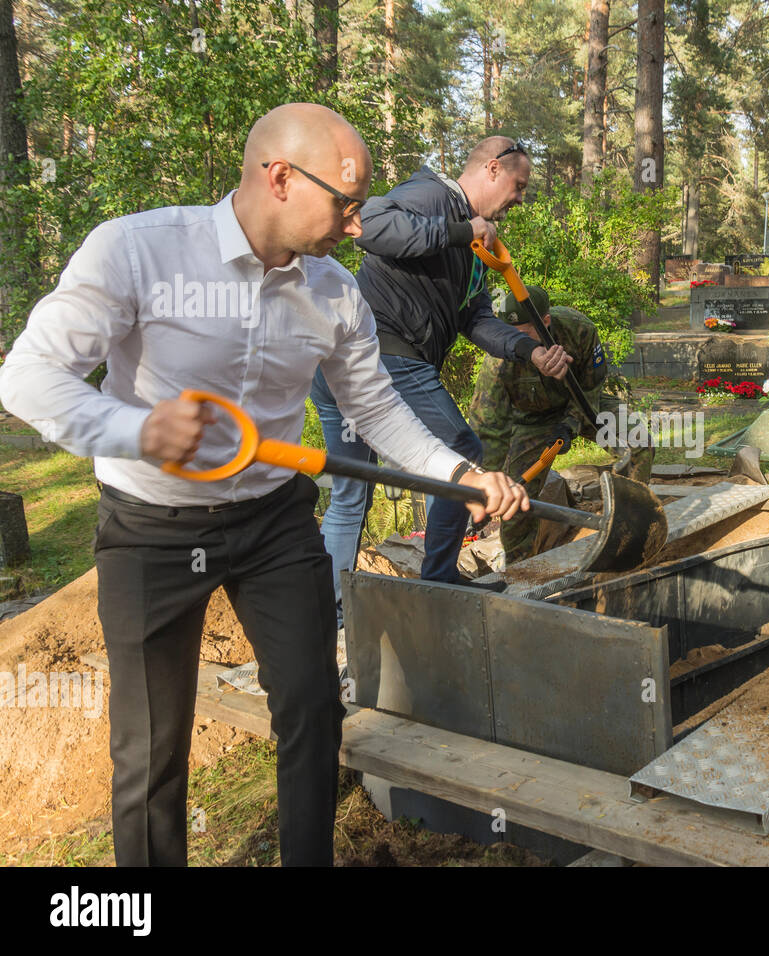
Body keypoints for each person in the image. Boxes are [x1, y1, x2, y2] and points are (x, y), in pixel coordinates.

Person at [0, 104, 528, 866]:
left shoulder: (337, 293)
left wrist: (460, 475)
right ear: (279, 177)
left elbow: (375, 407)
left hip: (274, 519)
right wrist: (135, 431)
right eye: (346, 204)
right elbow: (27, 376)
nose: (356, 226)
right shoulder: (137, 250)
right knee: (150, 744)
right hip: (152, 525)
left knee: (314, 710)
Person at [310, 136, 570, 624]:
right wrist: (458, 230)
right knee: (461, 450)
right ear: (492, 169)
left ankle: (332, 612)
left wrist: (530, 350)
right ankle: (440, 580)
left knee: (352, 490)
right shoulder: (433, 196)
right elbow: (369, 225)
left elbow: (475, 319)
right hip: (382, 354)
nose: (520, 198)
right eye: (518, 184)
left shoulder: (476, 246)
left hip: (347, 366)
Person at [467, 286, 655, 564]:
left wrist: (570, 424)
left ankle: (632, 524)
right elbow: (489, 427)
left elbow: (591, 388)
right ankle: (520, 567)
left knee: (638, 441)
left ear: (545, 321)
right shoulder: (499, 359)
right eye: (510, 331)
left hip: (583, 405)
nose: (515, 339)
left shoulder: (578, 330)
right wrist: (484, 484)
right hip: (530, 421)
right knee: (517, 498)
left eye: (524, 331)